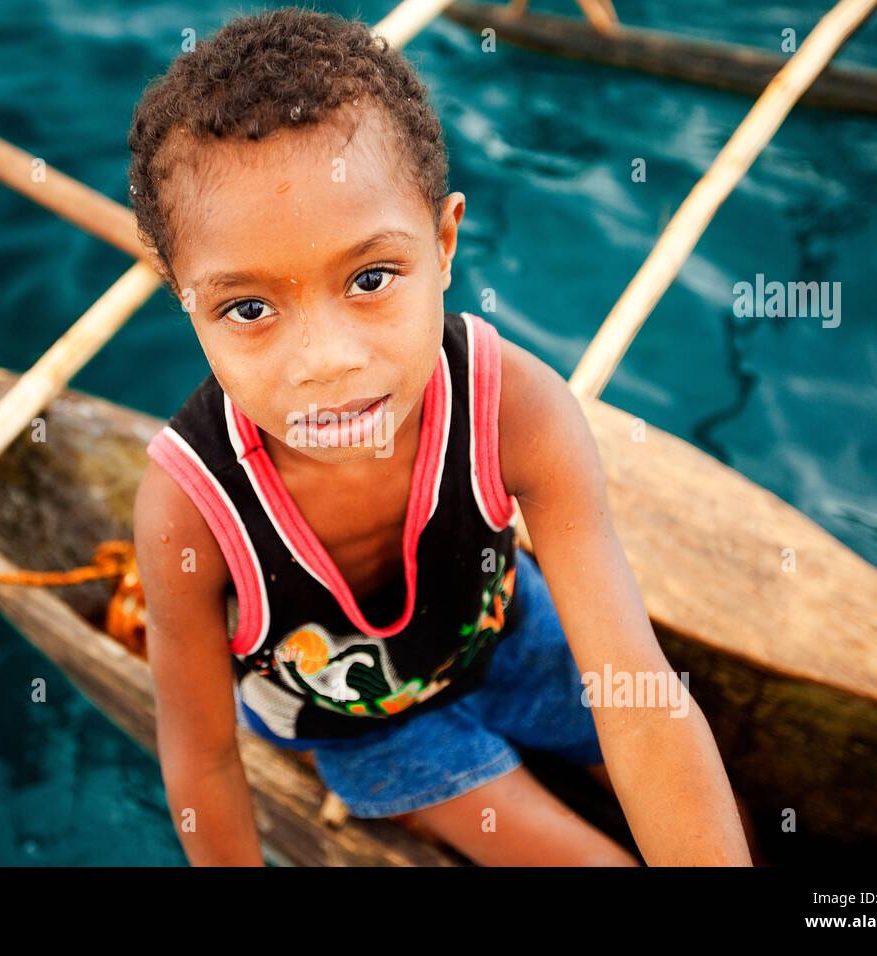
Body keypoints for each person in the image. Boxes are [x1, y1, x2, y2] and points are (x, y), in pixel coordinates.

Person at [129, 7, 753, 867]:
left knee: (718, 810)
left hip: (511, 638)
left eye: (371, 278)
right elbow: (201, 757)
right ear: (184, 297)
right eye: (248, 308)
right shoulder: (187, 509)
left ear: (446, 240)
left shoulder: (515, 408)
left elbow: (640, 702)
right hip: (360, 726)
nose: (326, 361)